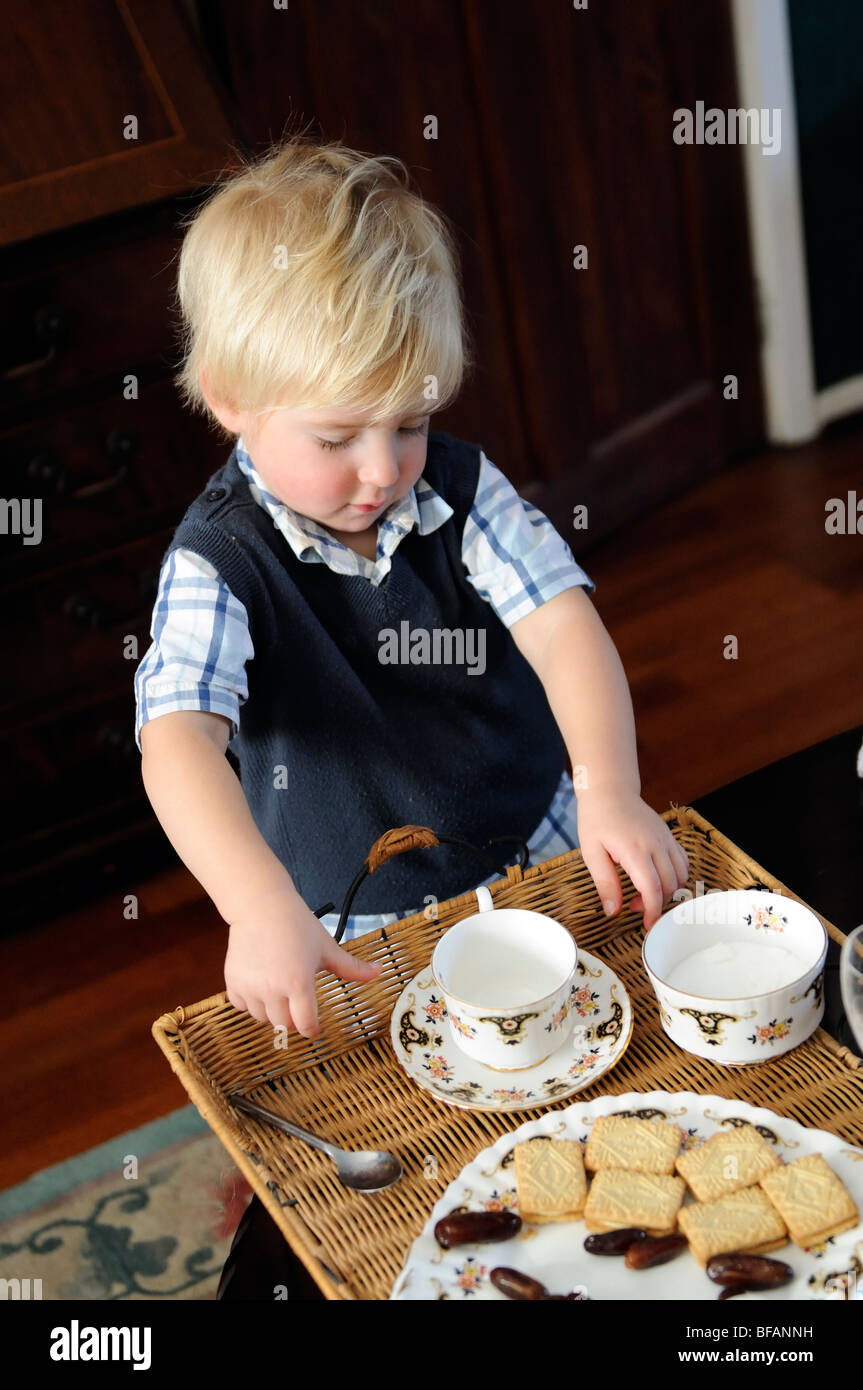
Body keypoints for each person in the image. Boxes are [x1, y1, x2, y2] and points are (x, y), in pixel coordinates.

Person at [135, 133, 689, 1041]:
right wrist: (254, 905)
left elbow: (563, 630)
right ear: (229, 397)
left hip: (531, 839)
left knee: (572, 1044)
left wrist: (609, 789)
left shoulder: (461, 490)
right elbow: (177, 743)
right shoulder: (217, 564)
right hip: (354, 913)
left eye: (413, 422)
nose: (384, 468)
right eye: (337, 437)